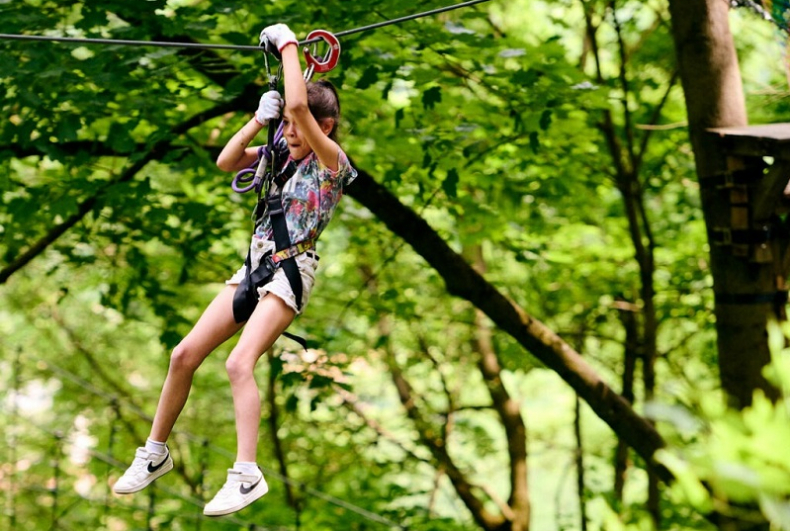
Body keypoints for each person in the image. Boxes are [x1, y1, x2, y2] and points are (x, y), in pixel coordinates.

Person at [111, 23, 357, 517]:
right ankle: (155, 453)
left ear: (322, 128)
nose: (287, 132)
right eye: (284, 126)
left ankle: (246, 474)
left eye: (293, 127)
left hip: (290, 274)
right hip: (251, 270)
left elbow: (300, 108)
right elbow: (226, 162)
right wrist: (253, 121)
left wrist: (289, 45)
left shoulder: (330, 163)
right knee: (183, 355)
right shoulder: (278, 155)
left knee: (237, 363)